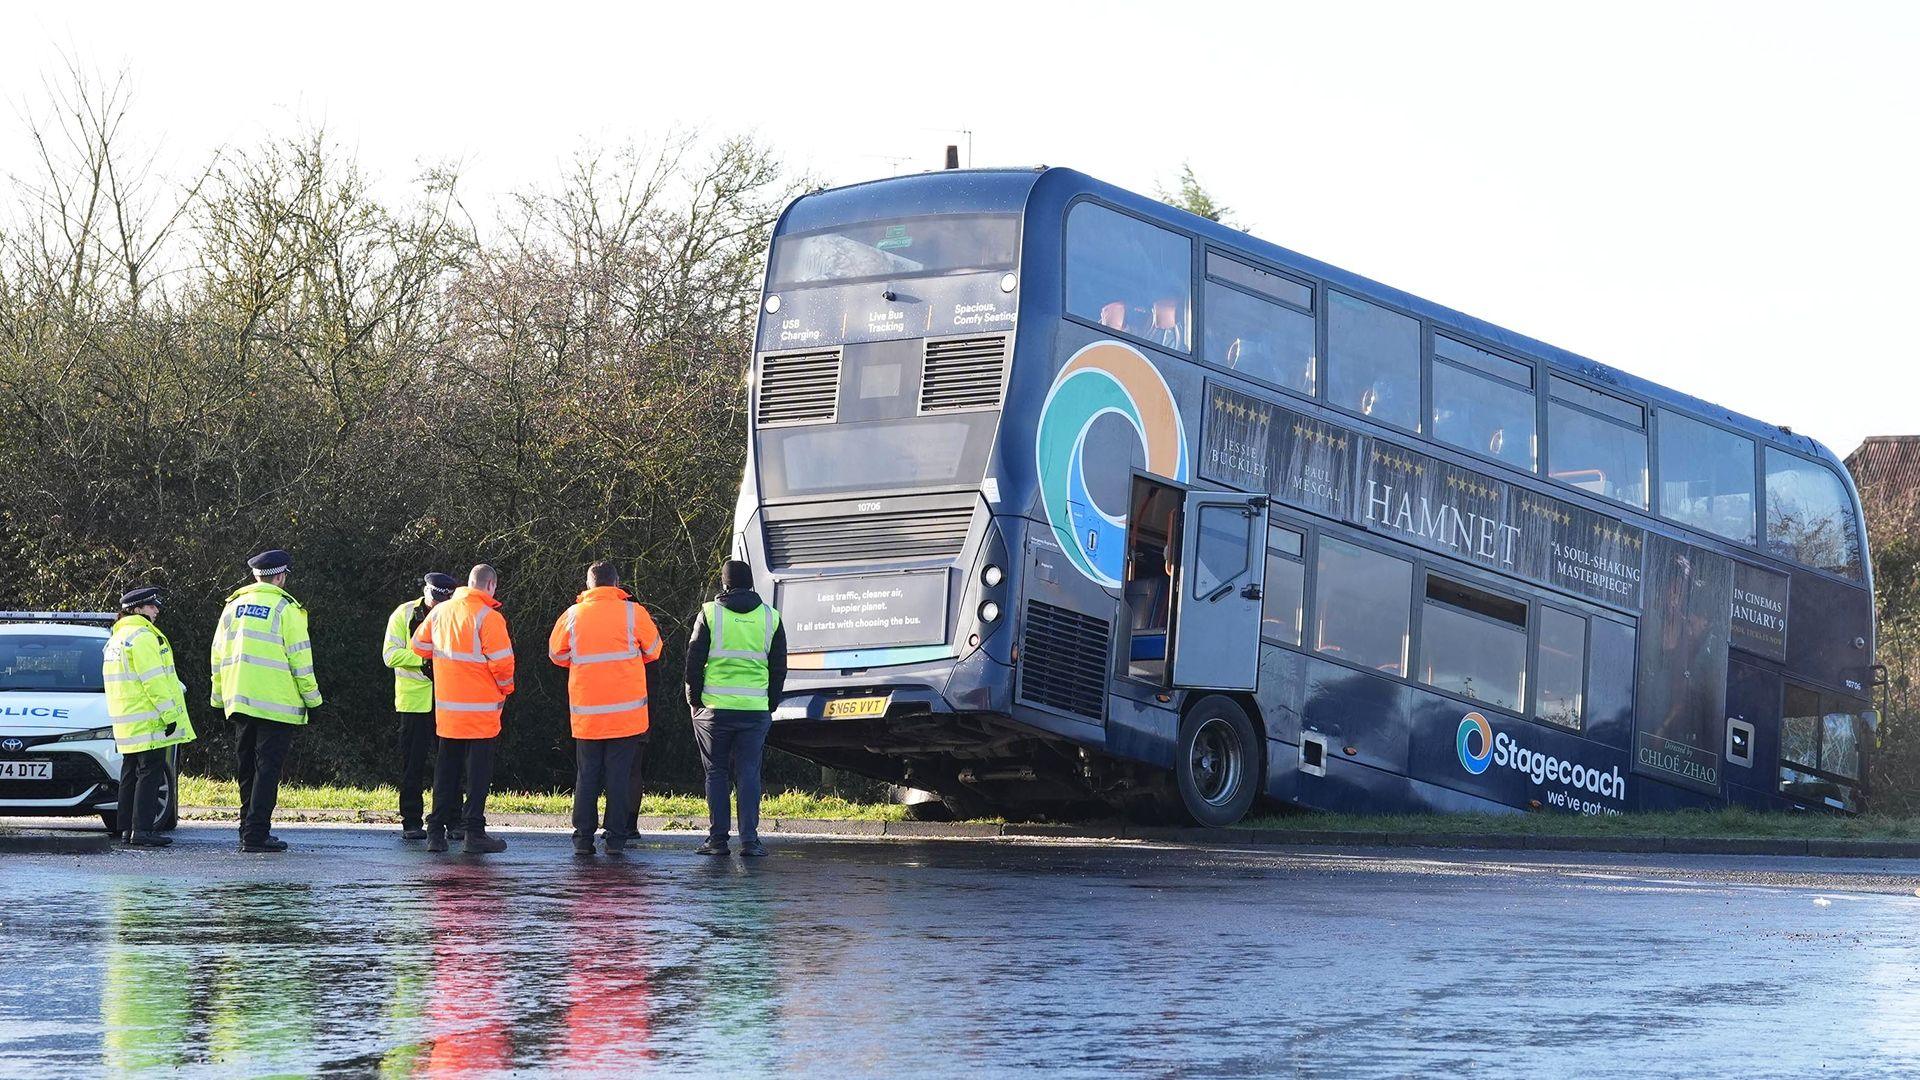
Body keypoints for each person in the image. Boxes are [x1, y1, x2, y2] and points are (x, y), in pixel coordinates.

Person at [548, 561, 663, 857]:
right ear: (616, 583)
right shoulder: (633, 613)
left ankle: (583, 838)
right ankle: (615, 839)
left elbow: (556, 654)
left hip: (587, 714)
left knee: (587, 776)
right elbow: (654, 650)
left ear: (589, 585)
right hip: (626, 715)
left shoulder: (572, 615)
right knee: (619, 776)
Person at [210, 549, 322, 853]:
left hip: (240, 701)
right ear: (281, 577)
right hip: (276, 704)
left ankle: (246, 827)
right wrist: (314, 699)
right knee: (266, 770)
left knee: (245, 768)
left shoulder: (233, 606)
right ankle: (257, 834)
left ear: (256, 576)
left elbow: (217, 654)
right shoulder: (286, 609)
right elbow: (300, 658)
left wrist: (219, 696)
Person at [684, 559, 786, 857]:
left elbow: (693, 661)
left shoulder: (710, 613)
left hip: (714, 709)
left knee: (716, 772)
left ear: (724, 583)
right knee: (749, 773)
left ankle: (717, 841)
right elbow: (779, 666)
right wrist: (771, 702)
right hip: (754, 709)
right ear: (751, 583)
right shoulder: (770, 617)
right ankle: (750, 841)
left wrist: (694, 698)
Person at [412, 564, 515, 855]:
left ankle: (435, 833)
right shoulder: (489, 617)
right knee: (478, 774)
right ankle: (473, 832)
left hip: (449, 710)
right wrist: (506, 689)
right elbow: (503, 664)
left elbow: (418, 645)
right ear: (490, 586)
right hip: (481, 711)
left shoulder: (440, 611)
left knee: (446, 770)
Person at [103, 586, 195, 847]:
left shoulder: (116, 639)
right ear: (137, 609)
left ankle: (126, 829)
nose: (157, 610)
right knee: (149, 774)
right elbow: (153, 681)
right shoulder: (142, 637)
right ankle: (142, 831)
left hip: (126, 718)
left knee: (130, 772)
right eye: (152, 605)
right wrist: (169, 715)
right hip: (148, 718)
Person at [383, 572, 458, 840]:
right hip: (413, 702)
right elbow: (390, 655)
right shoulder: (403, 613)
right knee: (412, 764)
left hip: (448, 700)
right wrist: (422, 658)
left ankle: (453, 819)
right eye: (433, 598)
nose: (437, 605)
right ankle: (411, 821)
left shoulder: (454, 613)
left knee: (450, 763)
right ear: (425, 591)